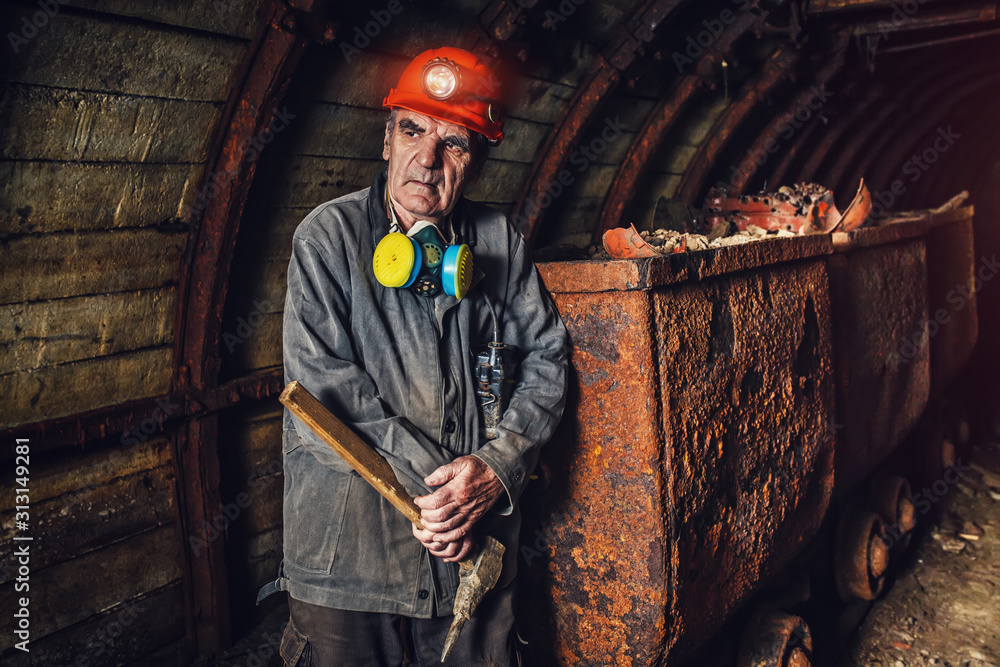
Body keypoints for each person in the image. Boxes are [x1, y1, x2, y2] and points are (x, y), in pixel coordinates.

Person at [259, 47, 569, 666]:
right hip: (351, 566)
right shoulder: (327, 239)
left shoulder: (497, 241)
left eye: (454, 144)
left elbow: (547, 359)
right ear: (386, 140)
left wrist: (495, 469)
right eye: (412, 130)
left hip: (470, 569)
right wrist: (448, 496)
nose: (427, 160)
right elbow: (325, 395)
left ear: (475, 162)